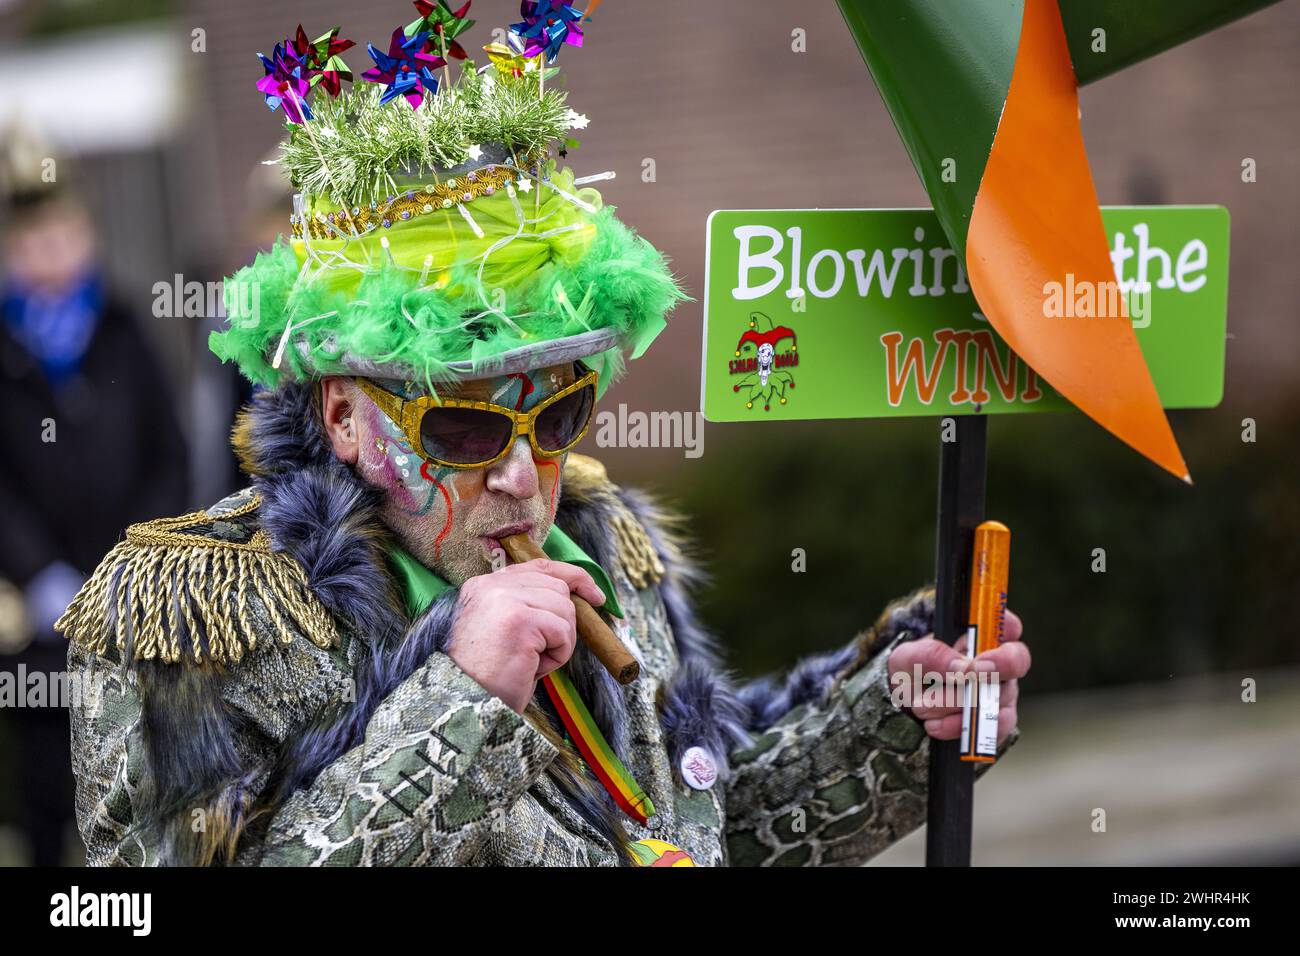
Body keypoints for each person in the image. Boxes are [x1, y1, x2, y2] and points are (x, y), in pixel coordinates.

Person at [59, 17, 1028, 866]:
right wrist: (460, 700)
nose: (527, 475)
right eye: (467, 424)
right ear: (345, 418)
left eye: (557, 413)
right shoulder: (195, 620)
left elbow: (702, 824)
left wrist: (891, 724)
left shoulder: (605, 541)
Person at [0, 133, 188, 865]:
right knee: (50, 767)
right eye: (33, 238)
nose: (51, 249)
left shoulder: (121, 329)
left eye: (64, 233)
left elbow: (168, 452)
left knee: (144, 760)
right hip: (40, 605)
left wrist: (138, 556)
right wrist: (37, 570)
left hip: (129, 591)